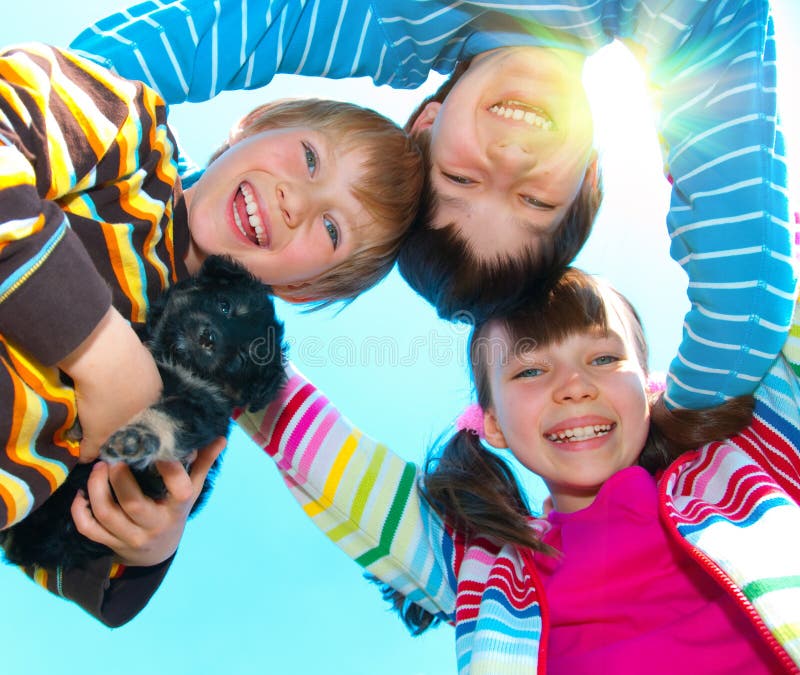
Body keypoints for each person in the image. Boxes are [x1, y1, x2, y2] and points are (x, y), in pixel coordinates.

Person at [71, 0, 796, 414]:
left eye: (461, 179)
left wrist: (156, 235)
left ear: (426, 127)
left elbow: (192, 37)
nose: (507, 162)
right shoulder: (684, 26)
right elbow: (750, 305)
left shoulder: (403, 21)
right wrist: (662, 417)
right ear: (588, 172)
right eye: (535, 197)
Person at [0, 41, 423, 624]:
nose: (295, 201)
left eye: (330, 228)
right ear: (254, 124)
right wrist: (98, 349)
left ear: (303, 288)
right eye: (308, 157)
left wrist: (149, 546)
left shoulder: (198, 389)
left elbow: (59, 556)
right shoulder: (128, 133)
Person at [230, 267, 800, 672]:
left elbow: (770, 268)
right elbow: (327, 457)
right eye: (530, 372)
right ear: (494, 425)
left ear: (648, 389)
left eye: (604, 358)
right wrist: (225, 334)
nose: (574, 385)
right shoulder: (485, 568)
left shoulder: (750, 462)